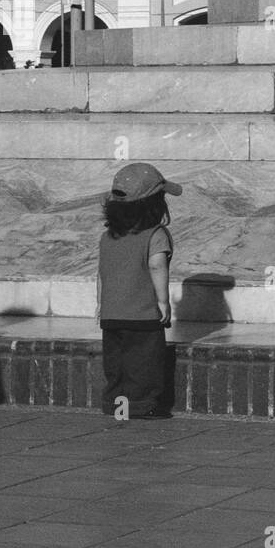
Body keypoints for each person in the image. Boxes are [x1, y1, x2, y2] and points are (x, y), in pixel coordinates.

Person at [96, 162, 181, 419]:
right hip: (143, 314)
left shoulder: (108, 236)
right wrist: (163, 302)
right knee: (144, 363)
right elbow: (157, 267)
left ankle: (115, 404)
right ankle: (141, 406)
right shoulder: (156, 234)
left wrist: (101, 304)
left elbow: (102, 273)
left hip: (111, 315)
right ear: (155, 204)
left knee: (117, 364)